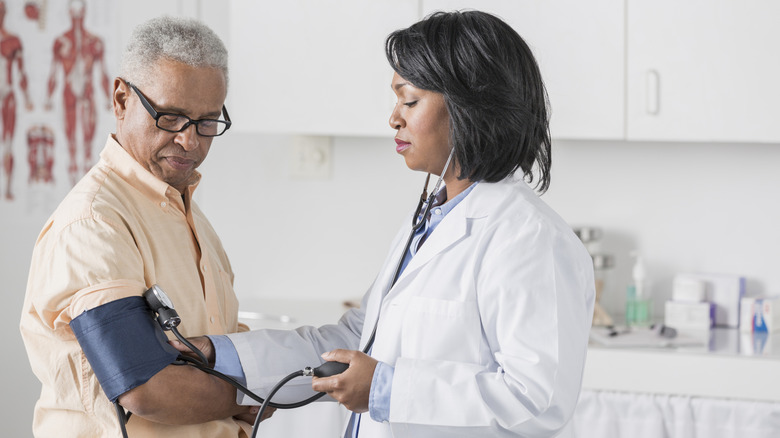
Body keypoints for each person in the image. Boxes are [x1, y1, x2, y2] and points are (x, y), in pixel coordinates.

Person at [178, 10, 596, 438]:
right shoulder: (433, 219)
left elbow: (537, 402)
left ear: (469, 107)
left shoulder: (528, 238)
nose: (394, 119)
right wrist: (220, 355)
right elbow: (362, 337)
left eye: (409, 100)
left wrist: (386, 388)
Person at [21, 16, 271, 437]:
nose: (190, 141)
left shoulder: (188, 217)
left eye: (207, 123)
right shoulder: (94, 223)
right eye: (171, 117)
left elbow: (225, 346)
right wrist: (249, 393)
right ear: (121, 99)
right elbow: (146, 387)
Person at [44, 0, 111, 186]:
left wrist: (107, 97)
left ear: (85, 13)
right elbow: (53, 72)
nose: (77, 18)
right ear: (69, 13)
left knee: (88, 136)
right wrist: (48, 98)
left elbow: (103, 72)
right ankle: (74, 178)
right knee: (71, 136)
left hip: (88, 92)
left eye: (80, 13)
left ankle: (88, 174)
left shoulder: (95, 42)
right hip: (69, 92)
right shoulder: (61, 42)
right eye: (74, 13)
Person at [0, 0, 34, 200]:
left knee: (9, 142)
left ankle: (7, 188)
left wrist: (28, 97)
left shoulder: (13, 41)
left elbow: (21, 72)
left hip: (8, 96)